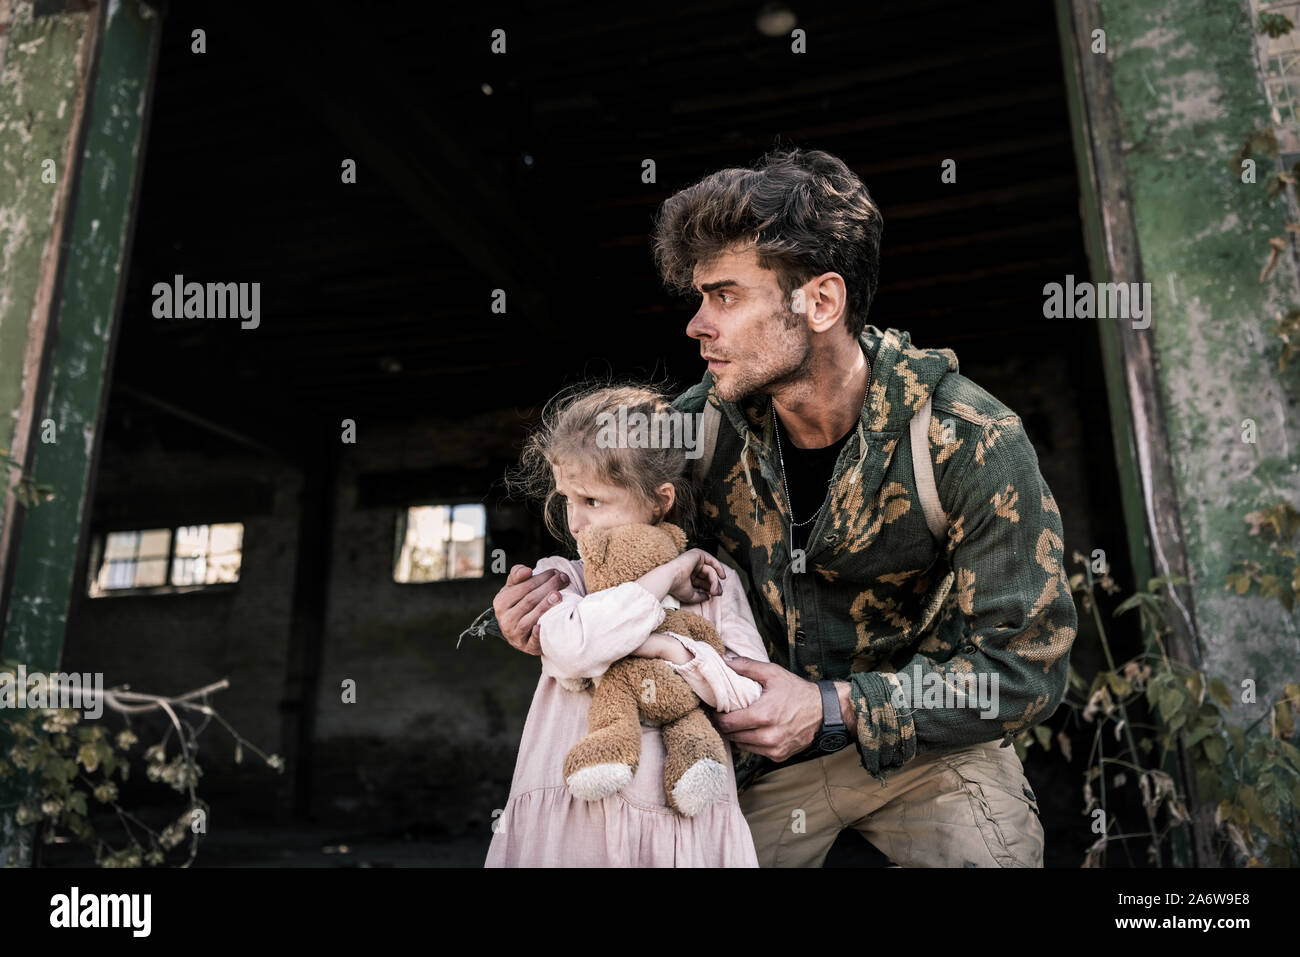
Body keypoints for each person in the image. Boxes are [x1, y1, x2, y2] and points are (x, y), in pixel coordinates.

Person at [479, 383, 771, 867]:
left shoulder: (718, 588)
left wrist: (669, 650)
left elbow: (748, 695)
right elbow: (575, 649)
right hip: (573, 823)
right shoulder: (564, 578)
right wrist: (669, 575)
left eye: (592, 501)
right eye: (566, 499)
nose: (575, 522)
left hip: (681, 827)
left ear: (660, 501)